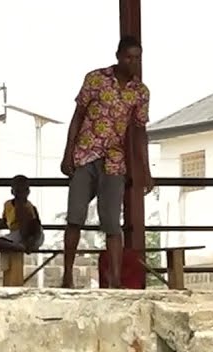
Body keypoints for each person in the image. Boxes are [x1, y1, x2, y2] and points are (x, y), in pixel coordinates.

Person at [60, 35, 153, 289]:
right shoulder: (96, 79)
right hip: (85, 154)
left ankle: (114, 280)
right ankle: (67, 276)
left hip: (115, 161)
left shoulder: (140, 93)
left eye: (137, 58)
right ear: (118, 56)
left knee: (112, 223)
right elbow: (78, 115)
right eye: (129, 57)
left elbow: (139, 132)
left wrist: (145, 170)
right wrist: (68, 153)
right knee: (75, 217)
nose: (133, 62)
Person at [0, 175, 44, 252]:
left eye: (23, 190)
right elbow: (5, 221)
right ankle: (16, 246)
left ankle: (22, 245)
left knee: (22, 212)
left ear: (28, 192)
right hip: (15, 235)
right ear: (12, 191)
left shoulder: (30, 207)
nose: (21, 194)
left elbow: (36, 228)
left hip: (31, 237)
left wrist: (30, 242)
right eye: (18, 191)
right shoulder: (8, 205)